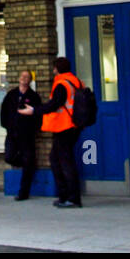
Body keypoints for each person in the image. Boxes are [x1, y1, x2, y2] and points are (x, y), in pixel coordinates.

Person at [19, 57, 83, 208]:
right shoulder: (75, 81)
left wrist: (34, 110)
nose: (53, 70)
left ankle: (72, 198)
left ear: (56, 69)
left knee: (64, 162)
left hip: (64, 126)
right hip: (73, 126)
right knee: (56, 159)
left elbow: (54, 105)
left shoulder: (61, 84)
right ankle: (64, 195)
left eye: (54, 68)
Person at [0, 70, 41, 200]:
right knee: (9, 157)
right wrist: (7, 126)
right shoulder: (11, 95)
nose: (24, 78)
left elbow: (38, 115)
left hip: (27, 135)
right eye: (22, 76)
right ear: (19, 78)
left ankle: (23, 193)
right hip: (12, 133)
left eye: (27, 77)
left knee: (28, 163)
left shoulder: (34, 97)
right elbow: (3, 112)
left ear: (30, 80)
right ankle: (26, 163)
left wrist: (34, 130)